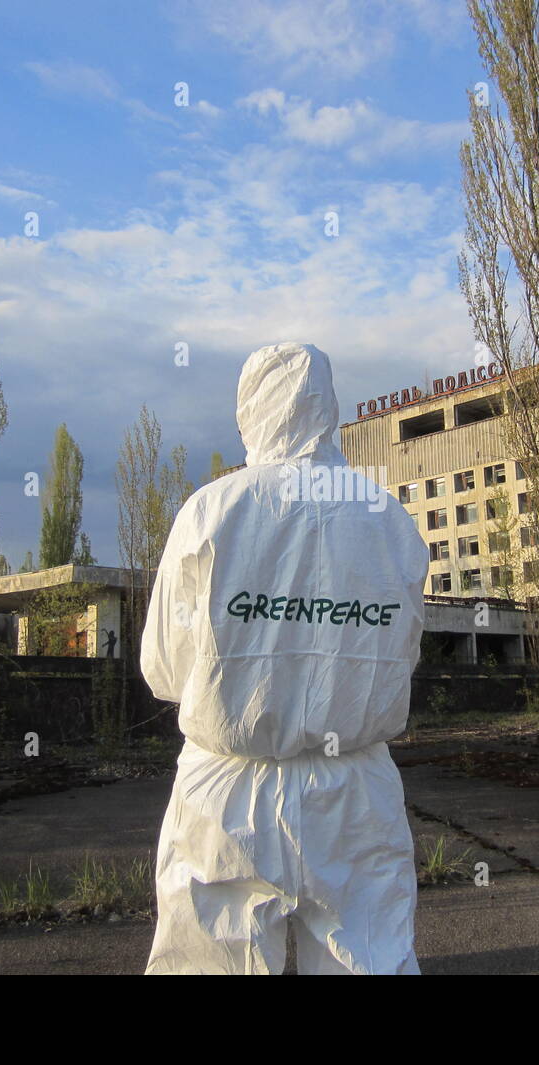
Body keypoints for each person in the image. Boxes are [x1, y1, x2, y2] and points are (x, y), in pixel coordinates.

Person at [142, 342, 428, 974]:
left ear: (248, 409)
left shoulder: (211, 513)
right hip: (353, 789)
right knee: (370, 959)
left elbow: (164, 667)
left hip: (227, 792)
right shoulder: (389, 520)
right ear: (329, 408)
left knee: (209, 964)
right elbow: (404, 653)